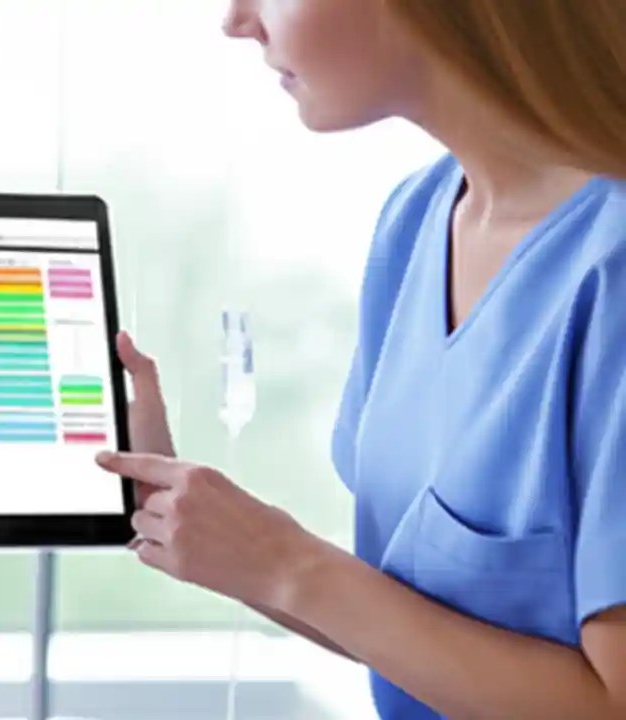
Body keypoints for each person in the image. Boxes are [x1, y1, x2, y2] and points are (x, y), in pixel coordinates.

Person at [94, 1, 626, 718]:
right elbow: (407, 627)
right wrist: (190, 520)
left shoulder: (611, 267)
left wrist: (285, 564)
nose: (237, 19)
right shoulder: (414, 223)